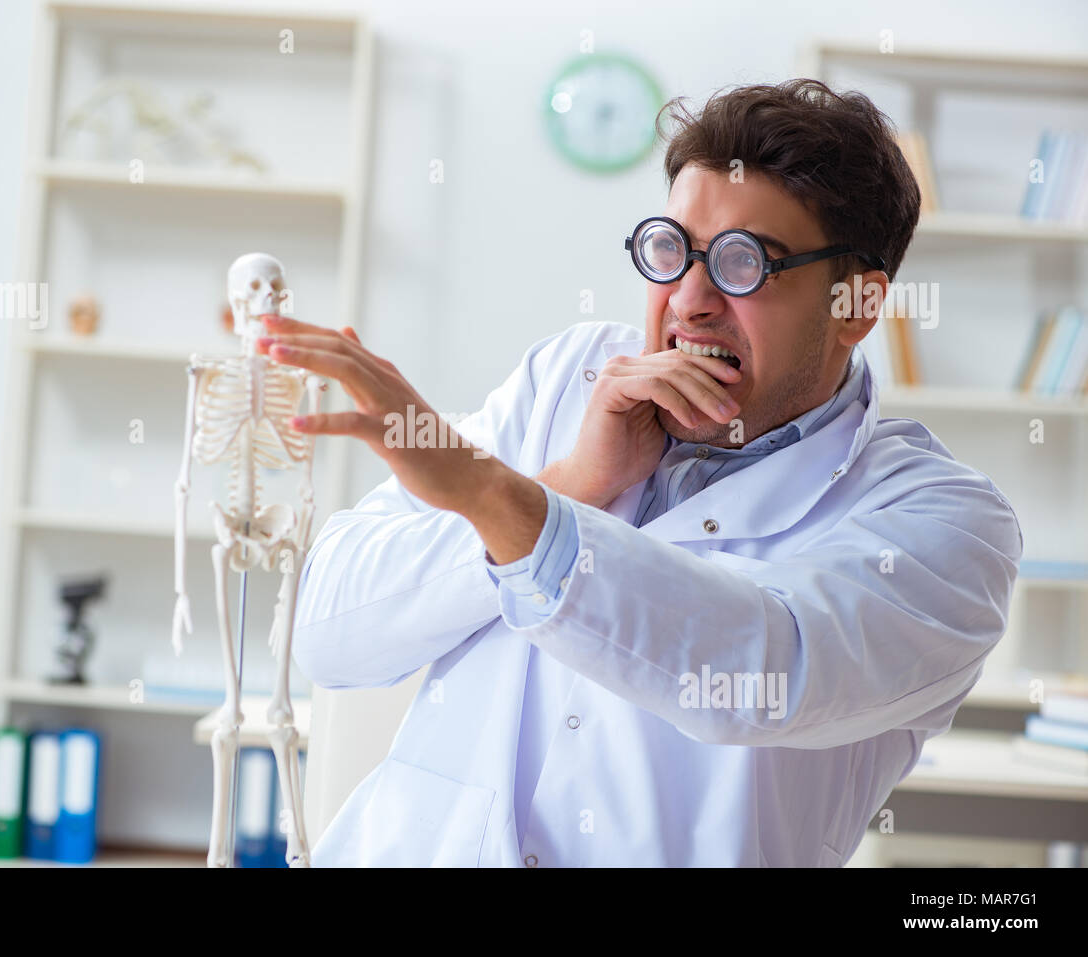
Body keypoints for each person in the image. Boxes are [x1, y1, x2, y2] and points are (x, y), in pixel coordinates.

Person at [260, 79, 1023, 866]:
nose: (688, 300)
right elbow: (327, 635)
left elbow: (766, 669)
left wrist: (500, 499)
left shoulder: (946, 521)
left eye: (744, 262)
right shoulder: (567, 377)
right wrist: (567, 483)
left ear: (856, 306)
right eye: (672, 248)